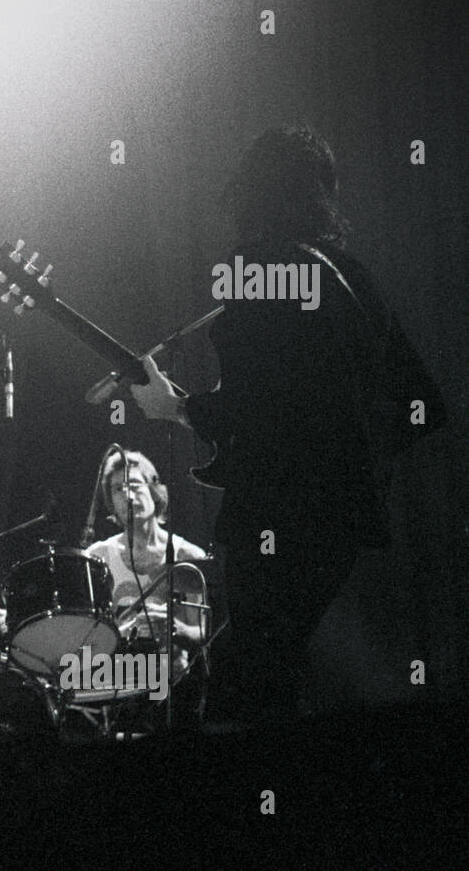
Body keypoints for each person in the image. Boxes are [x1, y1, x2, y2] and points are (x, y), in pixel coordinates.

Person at [130, 126, 445, 725]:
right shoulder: (350, 277)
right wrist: (344, 452)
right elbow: (419, 405)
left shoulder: (255, 266)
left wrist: (176, 407)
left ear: (248, 191)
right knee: (267, 668)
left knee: (248, 681)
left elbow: (257, 403)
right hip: (345, 524)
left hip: (276, 515)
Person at [85, 449, 209, 685]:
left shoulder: (188, 555)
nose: (127, 495)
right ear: (110, 502)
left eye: (134, 484)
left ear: (154, 490)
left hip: (172, 682)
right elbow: (83, 633)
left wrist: (175, 629)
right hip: (114, 681)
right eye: (117, 489)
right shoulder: (98, 557)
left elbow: (202, 631)